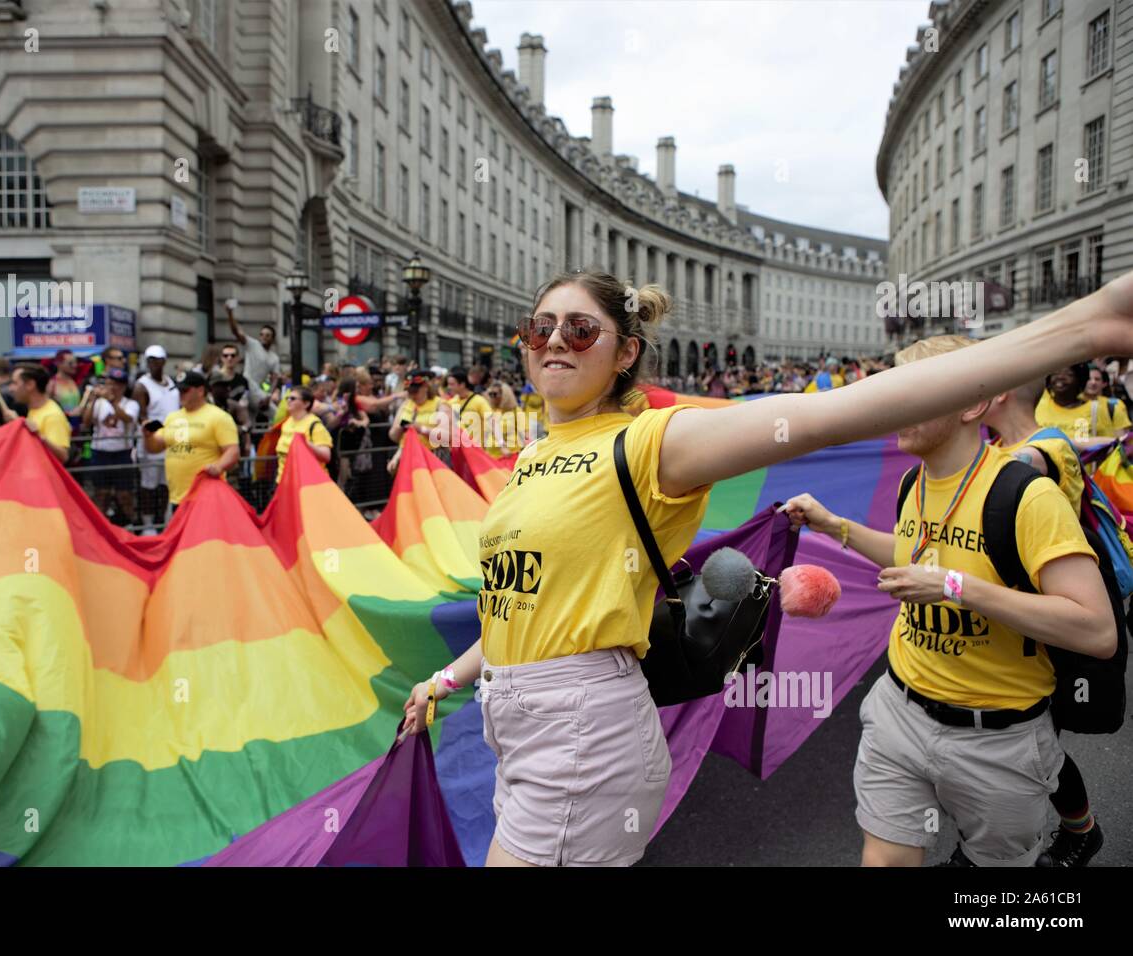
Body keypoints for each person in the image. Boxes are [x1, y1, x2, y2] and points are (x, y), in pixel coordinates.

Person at [400, 268, 1133, 869]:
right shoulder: (530, 459)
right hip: (517, 723)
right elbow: (515, 606)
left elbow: (837, 412)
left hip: (583, 734)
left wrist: (1088, 325)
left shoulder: (653, 443)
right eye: (540, 328)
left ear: (624, 352)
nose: (554, 339)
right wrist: (445, 679)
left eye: (580, 327)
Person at [784, 335, 1115, 868]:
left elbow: (1097, 631)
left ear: (971, 403)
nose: (896, 406)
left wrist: (955, 588)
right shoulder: (913, 482)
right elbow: (913, 554)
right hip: (898, 710)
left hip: (998, 738)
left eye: (913, 391)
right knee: (885, 859)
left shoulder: (1027, 495)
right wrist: (836, 526)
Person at [983, 377, 1105, 866]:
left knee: (1039, 742)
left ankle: (1079, 832)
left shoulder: (1045, 446)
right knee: (1008, 739)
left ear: (1003, 392)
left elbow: (1014, 473)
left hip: (1047, 619)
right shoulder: (996, 446)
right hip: (1005, 620)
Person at [141, 370, 240, 518]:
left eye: (185, 391)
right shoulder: (172, 417)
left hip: (206, 498)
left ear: (200, 391)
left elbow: (232, 450)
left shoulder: (219, 417)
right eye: (178, 391)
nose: (180, 395)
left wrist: (219, 466)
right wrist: (148, 437)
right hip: (178, 497)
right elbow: (155, 448)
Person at [133, 345, 180, 534]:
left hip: (172, 443)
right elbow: (142, 416)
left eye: (158, 360)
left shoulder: (172, 382)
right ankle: (148, 523)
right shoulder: (141, 385)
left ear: (164, 361)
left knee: (166, 485)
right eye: (151, 360)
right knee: (149, 485)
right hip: (151, 443)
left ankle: (164, 519)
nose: (155, 364)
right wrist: (156, 428)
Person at [82, 367, 139, 525]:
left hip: (121, 453)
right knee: (101, 493)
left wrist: (112, 400)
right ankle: (100, 526)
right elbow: (86, 423)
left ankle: (133, 524)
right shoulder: (99, 403)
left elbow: (128, 418)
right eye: (110, 383)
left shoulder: (131, 404)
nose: (113, 387)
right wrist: (92, 399)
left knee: (124, 494)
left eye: (118, 384)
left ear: (124, 387)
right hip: (100, 453)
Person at [1035, 363, 1131, 446]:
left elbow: (1118, 445)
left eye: (1069, 374)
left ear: (1080, 381)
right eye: (1055, 373)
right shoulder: (1038, 403)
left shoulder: (1098, 409)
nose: (1060, 377)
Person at [9, 364, 71, 464]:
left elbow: (63, 456)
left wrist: (39, 436)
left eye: (15, 383)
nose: (11, 388)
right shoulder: (35, 409)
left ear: (30, 385)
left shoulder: (52, 415)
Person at [226, 303, 282, 410]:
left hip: (257, 390)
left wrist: (269, 395)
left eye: (267, 335)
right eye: (261, 334)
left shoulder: (274, 358)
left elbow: (275, 378)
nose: (263, 337)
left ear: (273, 339)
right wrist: (230, 313)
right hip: (247, 385)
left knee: (252, 419)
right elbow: (236, 331)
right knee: (275, 413)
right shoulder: (253, 344)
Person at [275, 386, 333, 483]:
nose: (288, 401)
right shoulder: (286, 423)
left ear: (306, 404)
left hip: (307, 483)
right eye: (287, 398)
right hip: (284, 483)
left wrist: (305, 443)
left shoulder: (314, 425)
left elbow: (326, 456)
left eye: (293, 398)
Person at [445, 365, 492, 448]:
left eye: (452, 384)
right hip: (457, 451)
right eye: (448, 384)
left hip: (475, 450)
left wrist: (501, 443)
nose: (449, 387)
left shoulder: (479, 401)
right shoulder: (449, 403)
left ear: (462, 384)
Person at [47, 350, 84, 415]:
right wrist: (67, 414)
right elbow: (46, 408)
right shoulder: (52, 384)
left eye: (76, 362)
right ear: (58, 363)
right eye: (70, 363)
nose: (75, 365)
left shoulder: (77, 381)